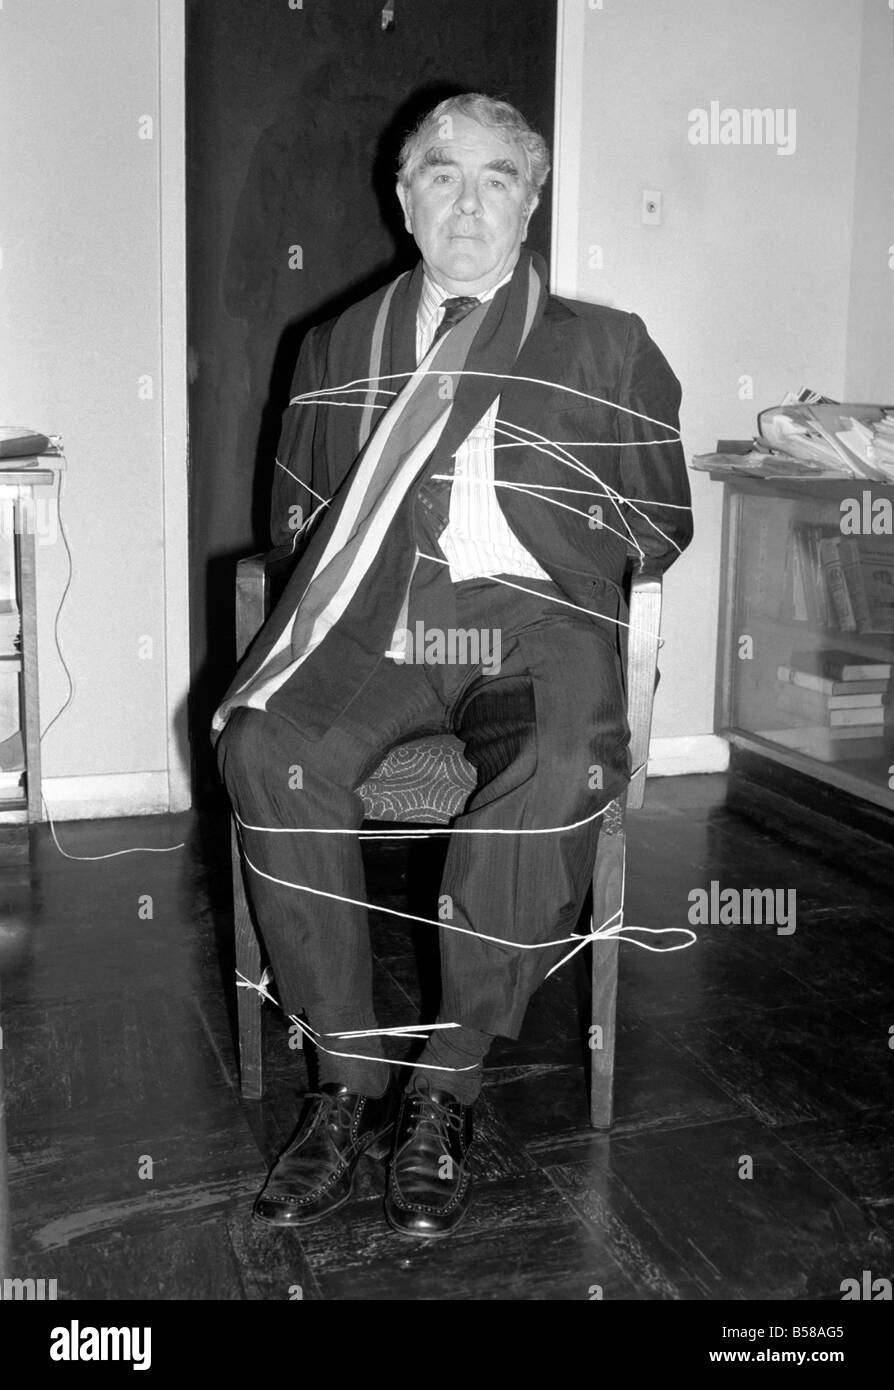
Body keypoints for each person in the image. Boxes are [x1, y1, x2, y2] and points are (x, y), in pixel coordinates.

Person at [214, 93, 692, 1238]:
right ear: (404, 196)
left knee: (567, 758)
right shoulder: (339, 343)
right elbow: (297, 518)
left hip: (534, 618)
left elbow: (660, 522)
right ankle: (346, 1082)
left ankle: (447, 1086)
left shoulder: (608, 344)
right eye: (442, 174)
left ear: (530, 201)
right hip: (385, 622)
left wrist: (570, 554)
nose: (468, 201)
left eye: (496, 179)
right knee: (265, 742)